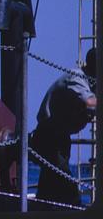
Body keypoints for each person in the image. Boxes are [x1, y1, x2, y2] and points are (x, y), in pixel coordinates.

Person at [30, 47, 97, 206]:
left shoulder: (92, 83)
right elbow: (89, 102)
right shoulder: (77, 78)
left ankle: (41, 207)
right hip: (48, 134)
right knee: (65, 181)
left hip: (61, 137)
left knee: (49, 182)